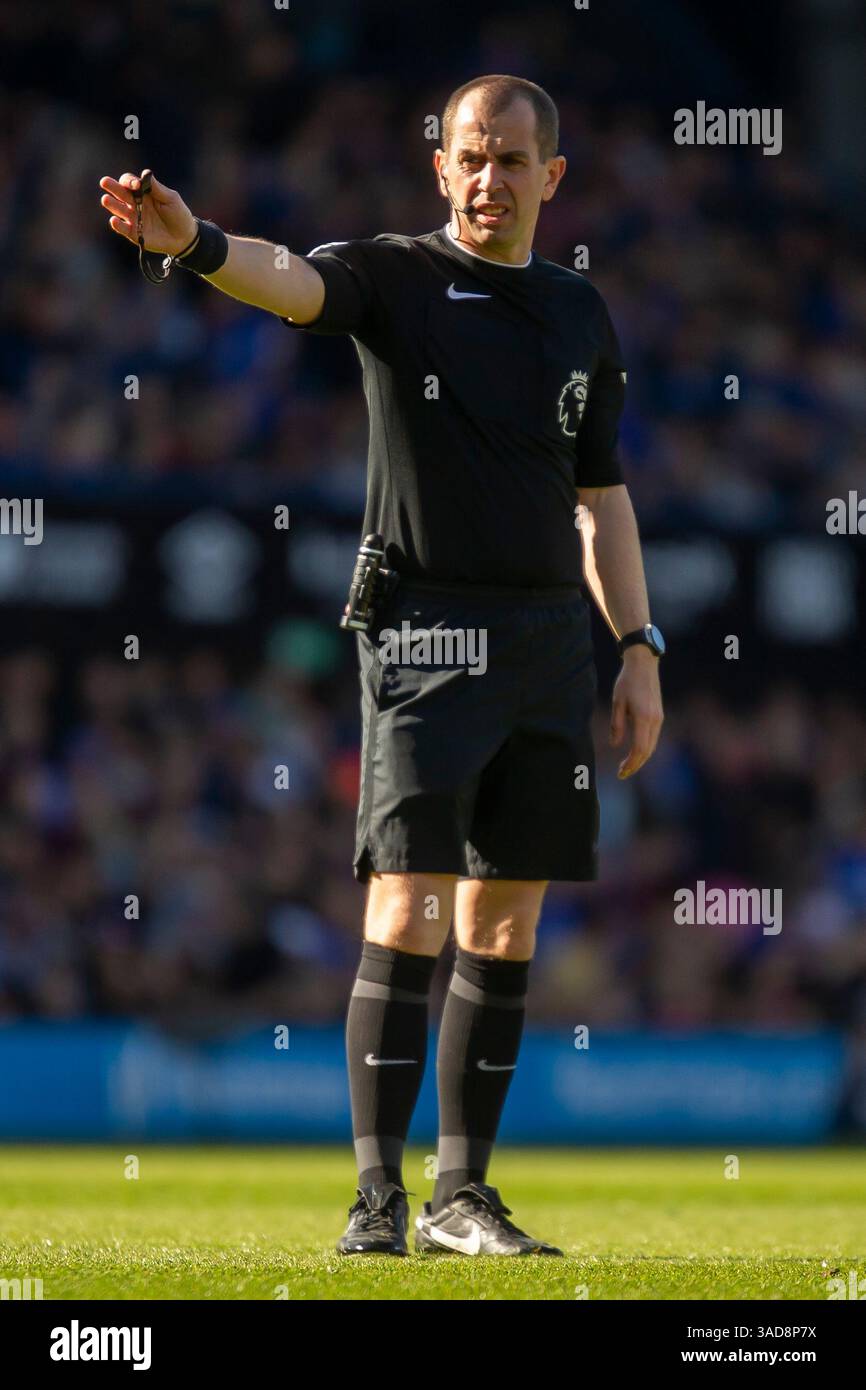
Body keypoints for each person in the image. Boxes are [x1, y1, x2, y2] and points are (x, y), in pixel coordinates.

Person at [99, 73, 664, 1257]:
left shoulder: (578, 314)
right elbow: (291, 283)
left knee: (503, 928)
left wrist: (638, 647)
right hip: (421, 632)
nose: (487, 178)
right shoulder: (398, 277)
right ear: (439, 164)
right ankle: (374, 1199)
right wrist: (195, 244)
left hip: (550, 641)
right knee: (405, 904)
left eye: (512, 160)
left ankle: (463, 1195)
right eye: (469, 155)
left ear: (550, 177)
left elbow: (598, 496)